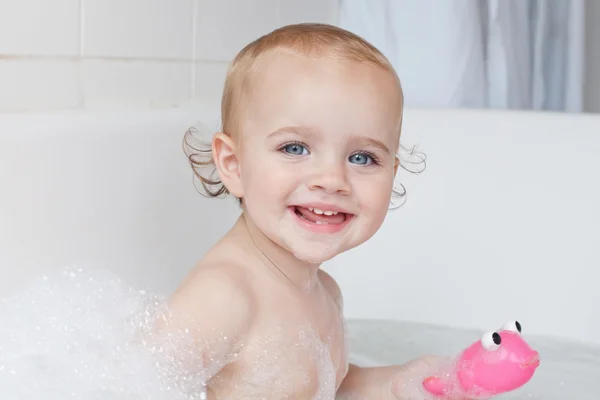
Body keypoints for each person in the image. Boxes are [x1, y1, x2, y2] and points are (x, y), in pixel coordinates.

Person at [167, 22, 453, 399]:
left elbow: (330, 389)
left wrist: (404, 383)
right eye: (295, 148)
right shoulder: (223, 297)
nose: (332, 179)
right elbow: (128, 388)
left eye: (362, 157)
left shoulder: (325, 294)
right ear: (234, 165)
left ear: (393, 173)